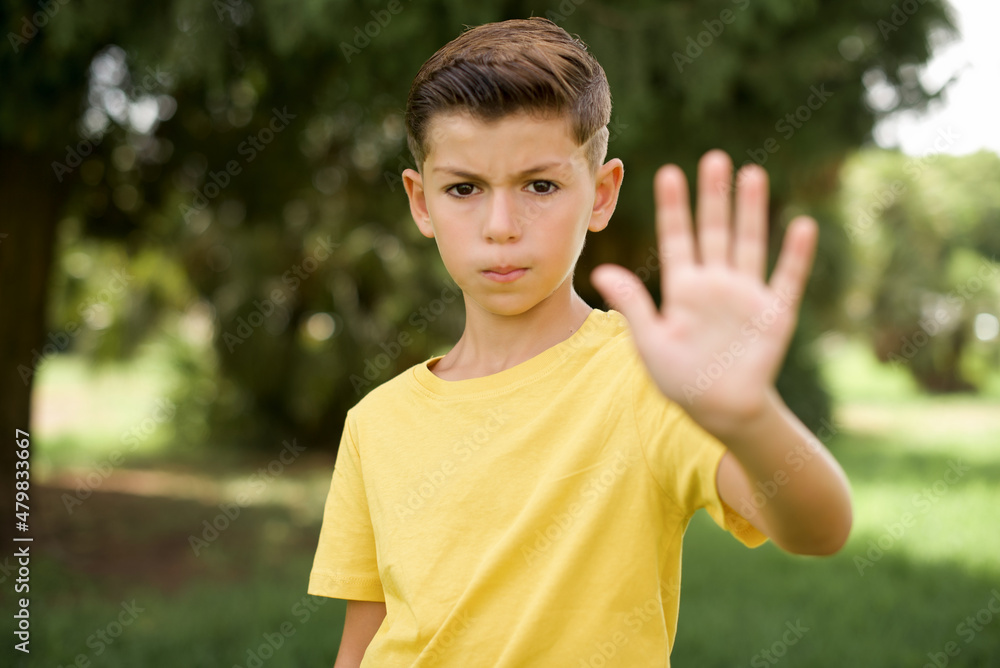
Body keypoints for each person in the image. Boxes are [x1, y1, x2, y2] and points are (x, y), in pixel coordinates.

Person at [308, 16, 852, 667]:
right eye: (464, 189)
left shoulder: (653, 377)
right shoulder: (376, 422)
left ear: (601, 194)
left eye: (540, 186)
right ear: (421, 202)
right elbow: (360, 646)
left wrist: (750, 415)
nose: (501, 226)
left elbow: (820, 528)